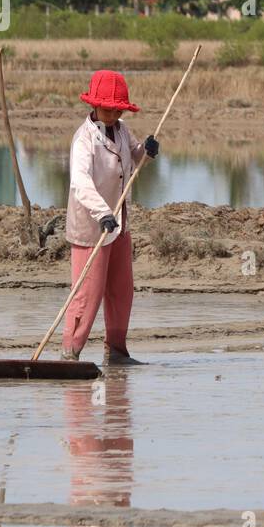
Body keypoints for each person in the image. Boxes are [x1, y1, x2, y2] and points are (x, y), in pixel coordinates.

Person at [62, 70, 160, 366]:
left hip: (119, 220)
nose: (114, 112)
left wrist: (147, 150)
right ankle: (71, 353)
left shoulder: (121, 129)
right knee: (87, 294)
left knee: (121, 289)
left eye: (118, 108)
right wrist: (102, 213)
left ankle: (116, 351)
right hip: (93, 225)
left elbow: (134, 156)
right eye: (108, 107)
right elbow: (81, 182)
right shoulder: (84, 140)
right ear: (94, 106)